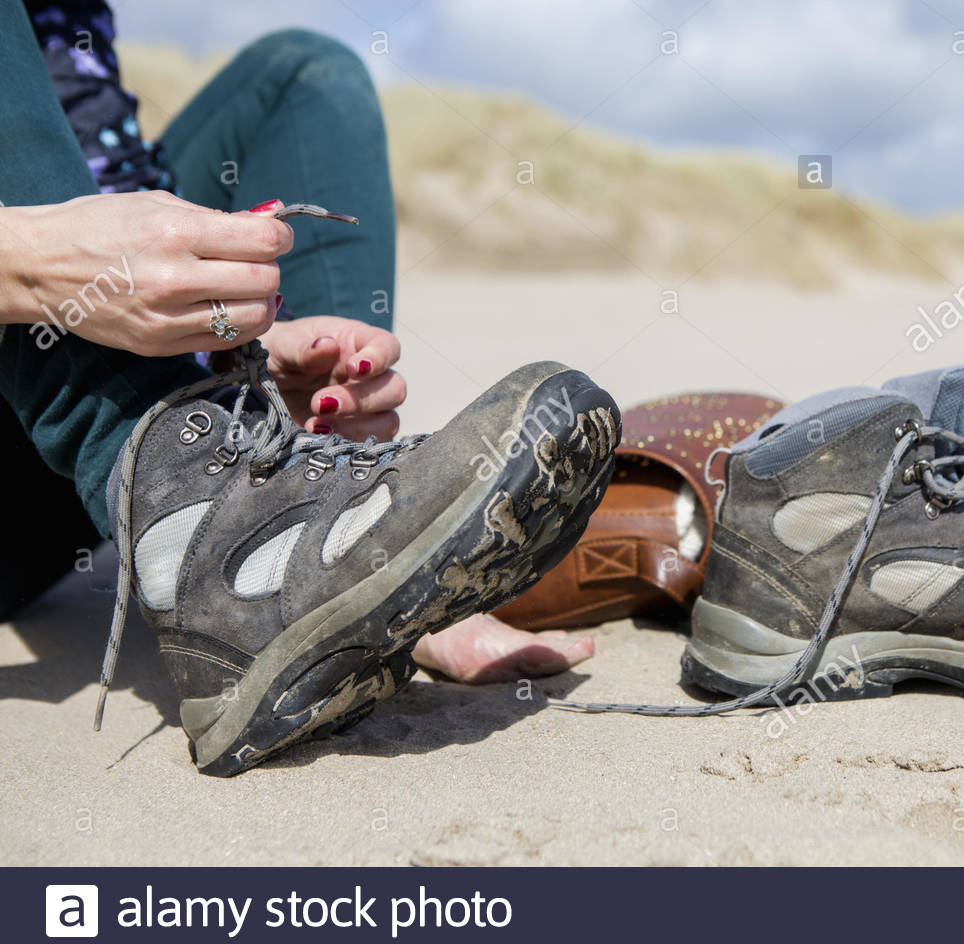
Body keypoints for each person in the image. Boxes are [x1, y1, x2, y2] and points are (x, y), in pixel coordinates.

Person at [0, 1, 616, 775]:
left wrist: (230, 371)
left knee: (307, 75)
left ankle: (325, 534)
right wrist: (22, 263)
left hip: (67, 448)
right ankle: (202, 522)